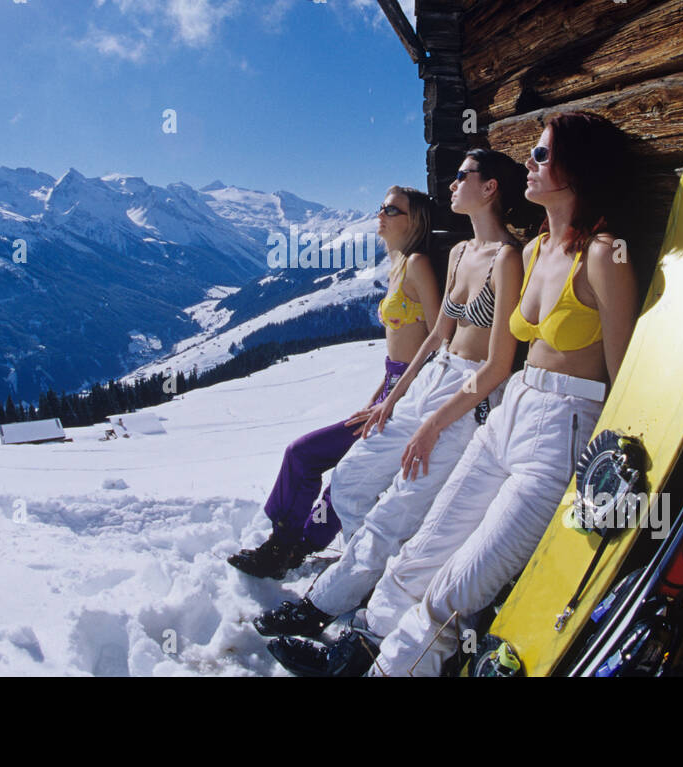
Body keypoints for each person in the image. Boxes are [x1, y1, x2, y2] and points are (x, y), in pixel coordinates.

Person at [269, 112, 642, 677]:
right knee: (424, 548)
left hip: (562, 426)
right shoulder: (539, 250)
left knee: (459, 583)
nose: (529, 165)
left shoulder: (603, 255)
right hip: (512, 411)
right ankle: (360, 644)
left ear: (578, 168)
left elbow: (624, 375)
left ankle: (387, 669)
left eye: (542, 155)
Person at [254, 148, 531, 640]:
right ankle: (364, 580)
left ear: (489, 189)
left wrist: (434, 423)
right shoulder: (462, 252)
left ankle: (324, 604)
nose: (452, 183)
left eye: (463, 176)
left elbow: (498, 364)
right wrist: (392, 398)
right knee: (351, 479)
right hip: (431, 378)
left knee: (399, 505)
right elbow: (435, 335)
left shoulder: (507, 259)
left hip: (469, 398)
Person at [227, 186, 439, 578]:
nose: (381, 214)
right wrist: (377, 395)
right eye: (381, 207)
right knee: (332, 464)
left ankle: (287, 546)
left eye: (392, 210)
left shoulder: (418, 264)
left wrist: (393, 399)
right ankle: (291, 547)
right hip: (393, 388)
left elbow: (437, 336)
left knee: (304, 454)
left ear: (415, 221)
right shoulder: (399, 266)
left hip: (411, 394)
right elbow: (398, 350)